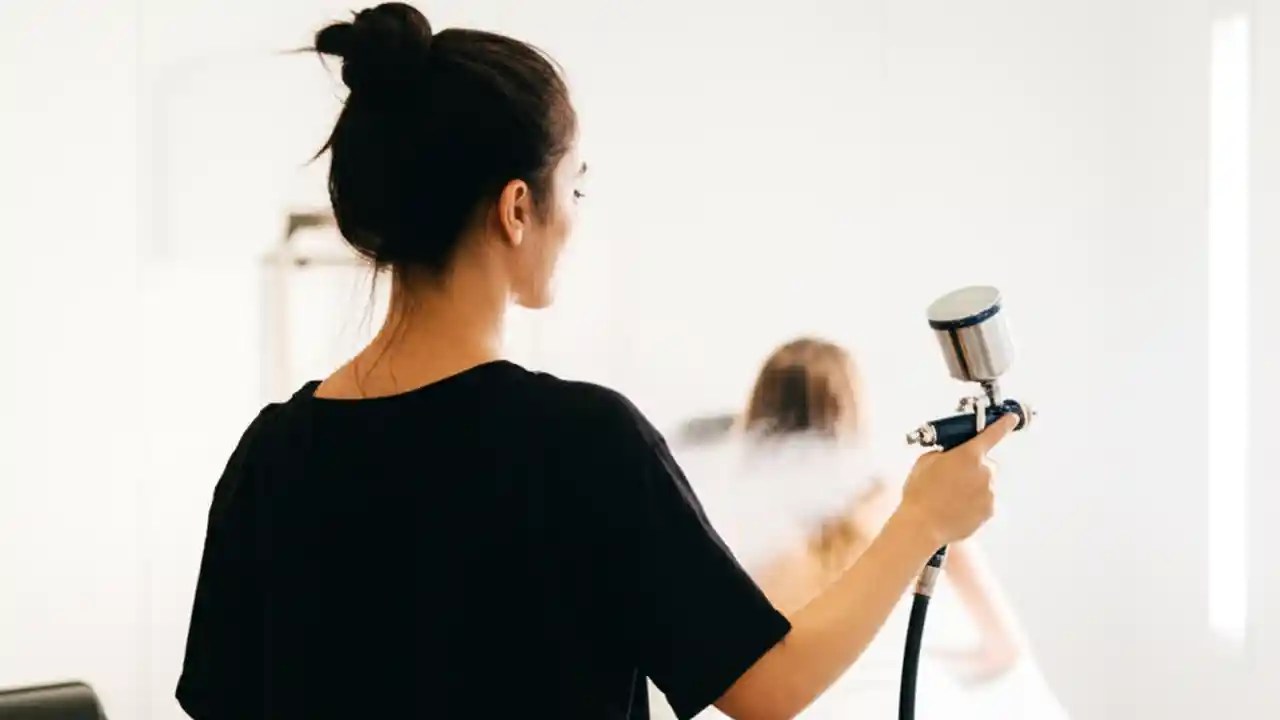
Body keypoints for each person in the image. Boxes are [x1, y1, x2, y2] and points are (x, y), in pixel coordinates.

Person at [175, 5, 1016, 719]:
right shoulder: (581, 443)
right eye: (573, 186)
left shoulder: (270, 457)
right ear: (516, 208)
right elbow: (770, 689)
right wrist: (921, 523)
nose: (573, 217)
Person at [652, 338, 1066, 719]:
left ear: (759, 410)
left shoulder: (727, 522)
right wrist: (924, 669)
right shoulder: (920, 502)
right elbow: (1002, 649)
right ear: (852, 409)